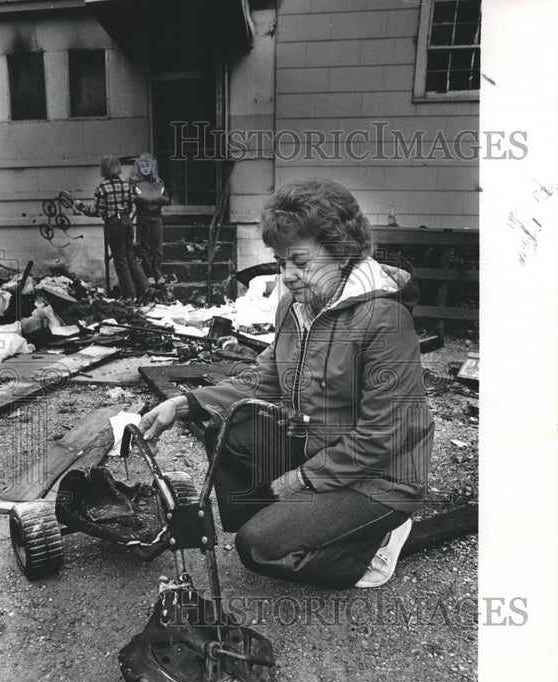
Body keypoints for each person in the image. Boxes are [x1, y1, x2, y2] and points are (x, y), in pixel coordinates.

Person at [139, 178, 434, 590]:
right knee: (229, 430)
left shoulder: (384, 321)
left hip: (382, 477)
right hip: (324, 448)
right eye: (281, 262)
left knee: (259, 548)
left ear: (341, 251)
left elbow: (384, 434)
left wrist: (303, 479)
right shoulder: (297, 306)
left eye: (300, 261)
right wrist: (185, 403)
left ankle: (375, 542)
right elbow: (267, 379)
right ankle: (300, 524)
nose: (288, 276)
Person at [73, 155, 154, 304]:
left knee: (120, 260)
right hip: (127, 221)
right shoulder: (125, 185)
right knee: (130, 257)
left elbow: (97, 211)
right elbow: (130, 206)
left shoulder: (102, 188)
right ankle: (146, 289)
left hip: (114, 224)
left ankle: (129, 296)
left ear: (104, 169)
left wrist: (80, 206)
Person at [129, 153, 171, 284]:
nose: (145, 168)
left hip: (157, 217)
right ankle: (149, 274)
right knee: (144, 246)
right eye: (142, 166)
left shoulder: (159, 183)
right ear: (138, 167)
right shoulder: (135, 183)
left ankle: (158, 274)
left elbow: (167, 199)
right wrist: (146, 198)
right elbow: (133, 199)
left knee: (157, 246)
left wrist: (153, 198)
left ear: (152, 167)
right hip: (143, 217)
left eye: (148, 165)